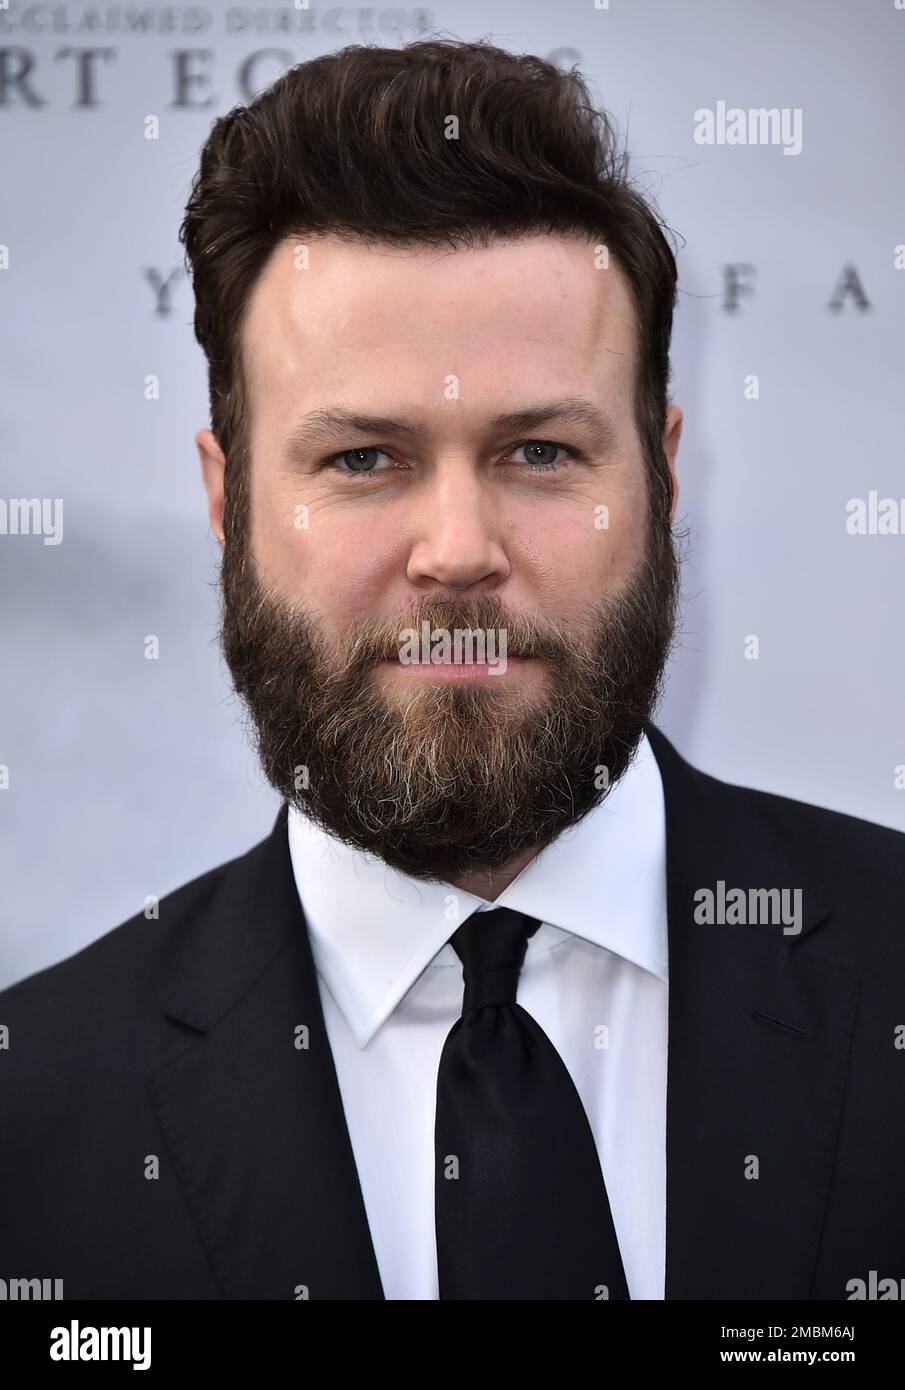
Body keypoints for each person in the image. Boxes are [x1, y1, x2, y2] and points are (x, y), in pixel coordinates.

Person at [1, 38, 902, 1302]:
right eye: (363, 459)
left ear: (660, 473)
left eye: (538, 452)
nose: (459, 554)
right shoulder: (31, 1120)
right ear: (225, 501)